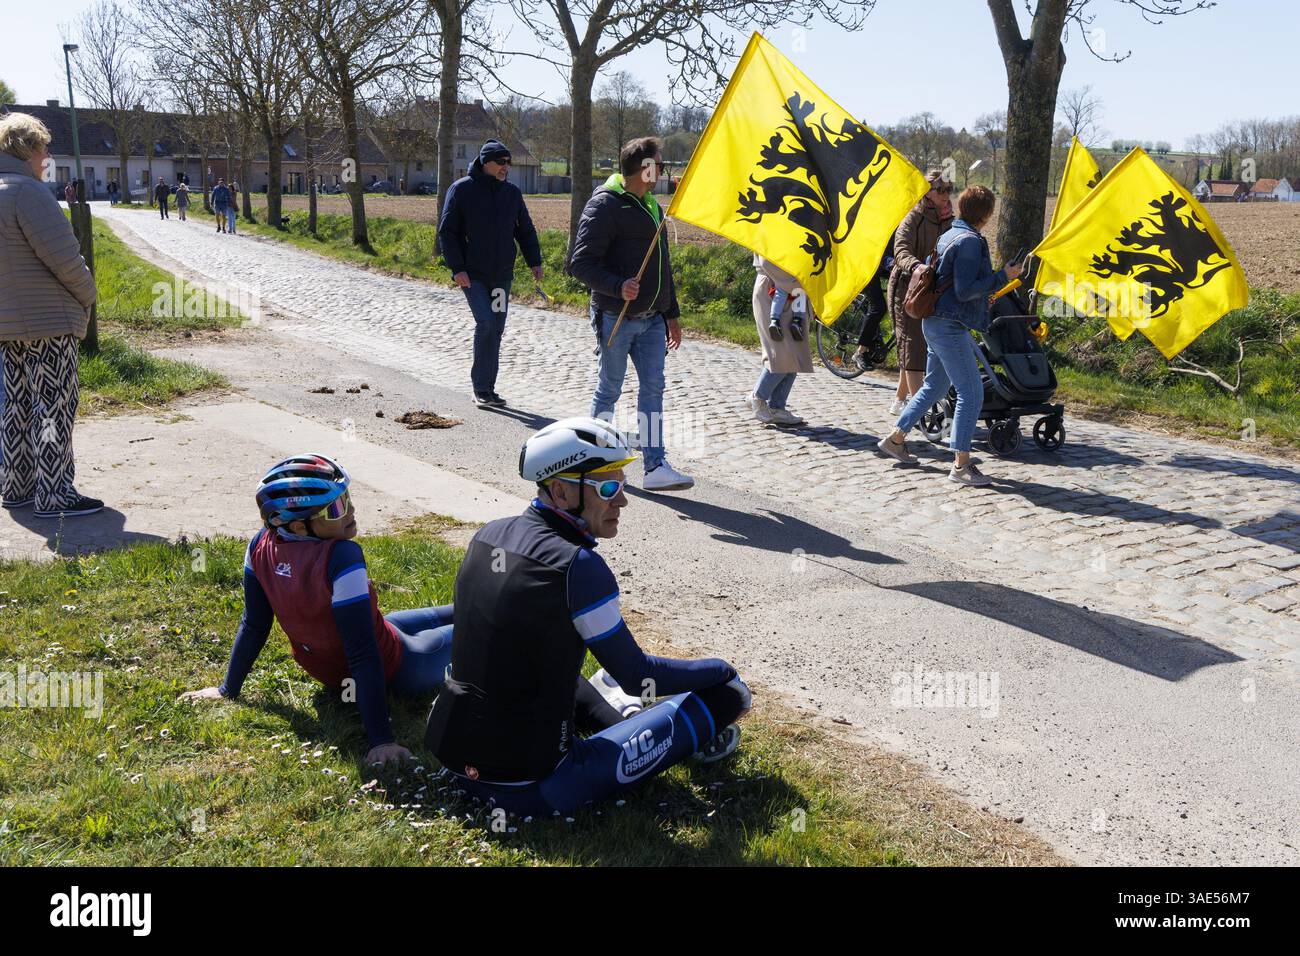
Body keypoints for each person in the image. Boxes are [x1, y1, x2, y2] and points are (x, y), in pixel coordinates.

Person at [425, 417, 752, 816]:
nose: (622, 501)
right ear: (560, 491)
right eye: (608, 488)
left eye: (623, 486)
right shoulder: (578, 565)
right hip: (536, 786)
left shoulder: (489, 533)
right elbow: (638, 676)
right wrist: (721, 668)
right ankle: (640, 719)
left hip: (454, 757)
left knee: (533, 663)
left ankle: (622, 719)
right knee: (728, 695)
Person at [181, 454, 456, 766]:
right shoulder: (342, 556)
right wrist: (381, 740)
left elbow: (255, 625)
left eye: (347, 498)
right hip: (401, 667)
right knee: (483, 624)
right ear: (300, 527)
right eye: (336, 508)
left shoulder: (258, 545)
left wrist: (228, 689)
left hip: (358, 652)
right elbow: (363, 652)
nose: (351, 510)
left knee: (461, 609)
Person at [567, 136, 693, 492]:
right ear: (644, 169)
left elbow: (662, 265)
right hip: (615, 316)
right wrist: (617, 285)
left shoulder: (652, 206)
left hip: (653, 319)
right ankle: (594, 461)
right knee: (609, 389)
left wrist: (671, 313)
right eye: (660, 164)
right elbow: (580, 264)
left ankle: (654, 467)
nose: (664, 171)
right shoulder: (604, 205)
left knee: (653, 390)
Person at [875, 186, 1023, 487]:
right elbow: (965, 290)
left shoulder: (950, 233)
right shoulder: (969, 241)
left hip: (936, 321)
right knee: (971, 392)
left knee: (933, 386)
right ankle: (962, 465)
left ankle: (896, 439)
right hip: (949, 325)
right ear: (987, 214)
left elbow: (957, 284)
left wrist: (990, 287)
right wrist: (1001, 278)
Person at [0, 113, 102, 518]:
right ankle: (54, 492)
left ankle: (17, 485)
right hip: (48, 321)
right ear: (27, 148)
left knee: (17, 405)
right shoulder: (28, 192)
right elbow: (64, 257)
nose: (47, 156)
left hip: (7, 324)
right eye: (43, 147)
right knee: (53, 407)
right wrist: (88, 295)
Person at [436, 139, 542, 408]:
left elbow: (525, 230)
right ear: (485, 163)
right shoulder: (462, 191)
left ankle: (489, 389)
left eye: (509, 163)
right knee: (485, 323)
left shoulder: (512, 194)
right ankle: (480, 388)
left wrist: (535, 262)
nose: (506, 167)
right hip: (473, 276)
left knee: (496, 329)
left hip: (501, 277)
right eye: (501, 162)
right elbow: (447, 232)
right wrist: (457, 268)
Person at [883, 169, 953, 414]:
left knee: (917, 345)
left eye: (949, 189)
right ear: (927, 191)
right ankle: (921, 410)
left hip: (932, 290)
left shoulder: (948, 220)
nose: (945, 195)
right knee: (912, 345)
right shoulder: (913, 217)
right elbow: (900, 250)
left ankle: (899, 400)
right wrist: (916, 267)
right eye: (940, 189)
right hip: (906, 289)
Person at [747, 255, 810, 426]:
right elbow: (769, 262)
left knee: (795, 352)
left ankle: (777, 407)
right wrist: (799, 284)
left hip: (794, 291)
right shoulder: (769, 229)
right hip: (772, 288)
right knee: (780, 353)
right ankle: (758, 397)